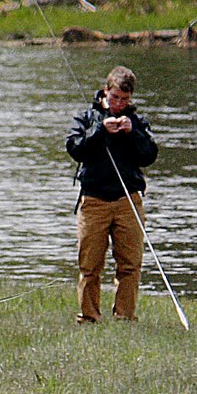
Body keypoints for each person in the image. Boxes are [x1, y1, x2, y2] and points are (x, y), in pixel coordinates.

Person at [65, 65, 159, 323]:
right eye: (115, 97)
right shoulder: (86, 118)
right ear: (106, 91)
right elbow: (75, 148)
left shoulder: (137, 122)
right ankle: (89, 317)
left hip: (128, 200)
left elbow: (149, 155)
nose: (119, 104)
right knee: (90, 265)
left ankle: (125, 318)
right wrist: (99, 131)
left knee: (130, 264)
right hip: (94, 200)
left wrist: (133, 133)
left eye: (125, 100)